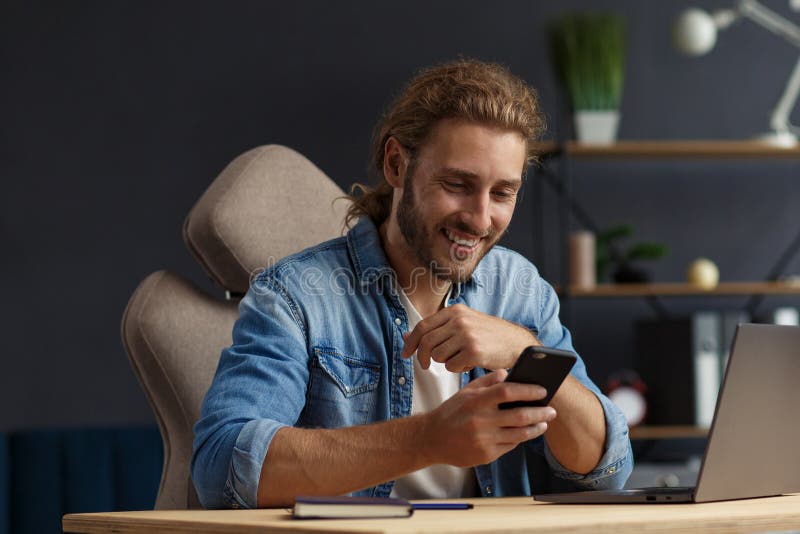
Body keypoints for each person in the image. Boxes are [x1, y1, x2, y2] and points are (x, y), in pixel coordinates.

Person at [191, 59, 633, 509]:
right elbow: (221, 471)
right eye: (457, 184)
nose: (481, 219)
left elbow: (605, 473)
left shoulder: (520, 290)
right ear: (397, 164)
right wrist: (427, 439)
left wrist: (525, 351)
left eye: (502, 193)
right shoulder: (295, 296)